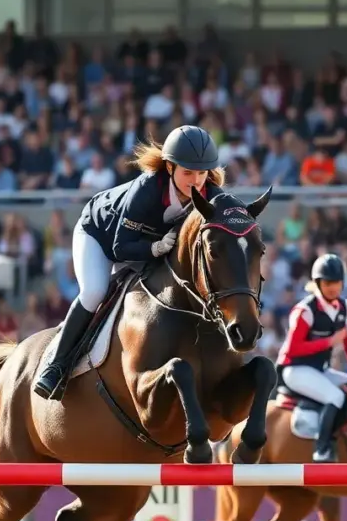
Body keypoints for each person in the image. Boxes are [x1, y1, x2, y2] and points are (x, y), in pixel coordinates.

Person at [33, 125, 225, 400]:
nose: (196, 181)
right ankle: (56, 366)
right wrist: (157, 247)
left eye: (202, 173)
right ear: (170, 168)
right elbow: (120, 248)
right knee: (96, 291)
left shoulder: (210, 192)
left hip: (143, 246)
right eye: (187, 173)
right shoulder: (148, 189)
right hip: (100, 236)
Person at [276, 253, 347, 463]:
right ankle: (322, 449)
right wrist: (329, 342)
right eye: (327, 283)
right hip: (295, 369)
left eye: (336, 282)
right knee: (336, 397)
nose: (333, 287)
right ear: (317, 283)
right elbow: (293, 349)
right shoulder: (305, 311)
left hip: (319, 369)